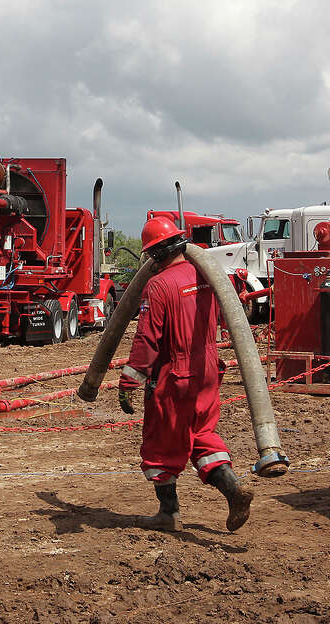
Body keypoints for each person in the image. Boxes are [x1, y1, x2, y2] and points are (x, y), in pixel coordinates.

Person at [118, 215, 253, 532]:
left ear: (154, 254)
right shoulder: (207, 274)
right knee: (202, 434)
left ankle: (168, 513)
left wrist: (128, 384)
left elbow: (147, 341)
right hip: (208, 369)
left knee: (160, 445)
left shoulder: (159, 285)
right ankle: (233, 489)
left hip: (174, 376)